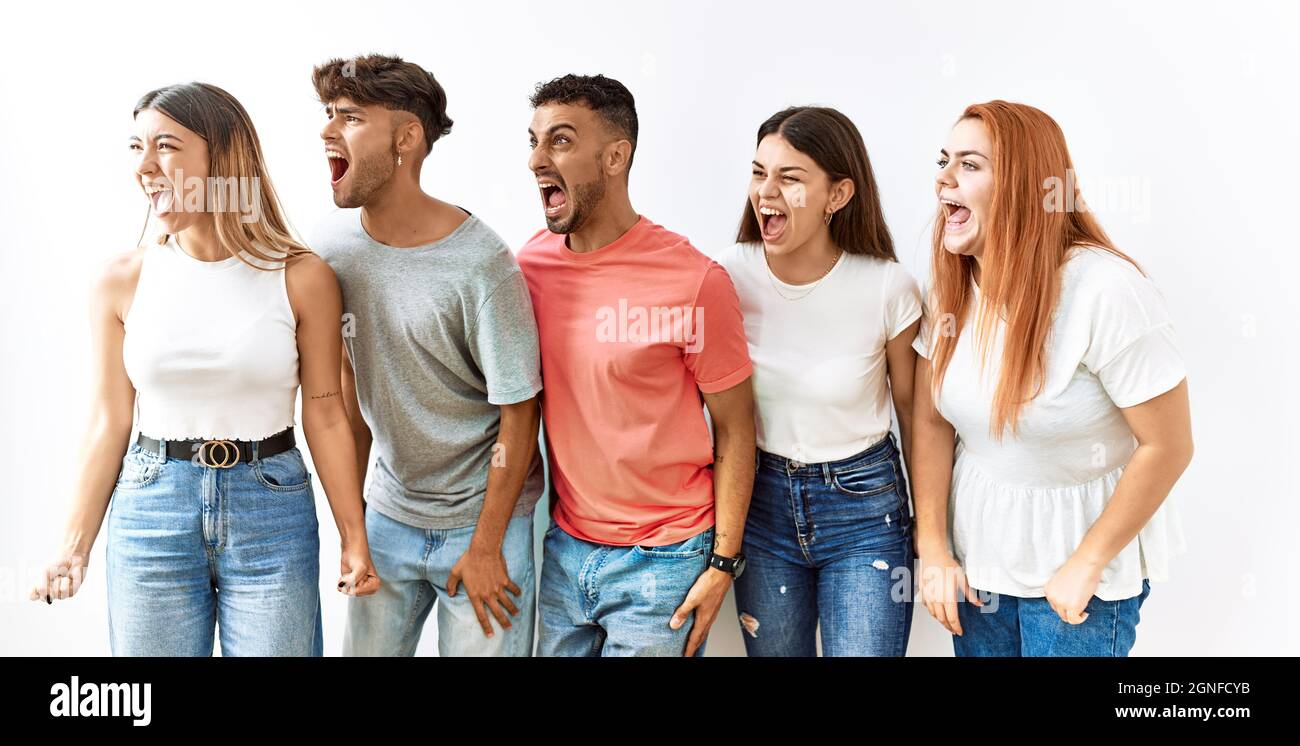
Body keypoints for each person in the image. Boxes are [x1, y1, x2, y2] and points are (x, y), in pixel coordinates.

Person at [31, 82, 379, 656]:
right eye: (136, 147)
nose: (144, 166)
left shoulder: (303, 278)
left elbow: (325, 413)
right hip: (152, 508)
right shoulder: (120, 281)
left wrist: (353, 535)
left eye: (165, 146)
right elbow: (108, 421)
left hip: (272, 508)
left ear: (222, 157)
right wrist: (73, 548)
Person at [911, 100, 1193, 656]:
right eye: (944, 161)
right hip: (979, 570)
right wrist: (935, 548)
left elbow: (1168, 444)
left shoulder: (1105, 290)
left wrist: (1089, 561)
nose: (943, 177)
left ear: (1021, 184)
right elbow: (930, 419)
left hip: (1075, 581)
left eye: (970, 164)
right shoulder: (951, 286)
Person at [310, 55, 544, 657]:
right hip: (389, 515)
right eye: (328, 115)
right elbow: (344, 392)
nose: (327, 130)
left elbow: (520, 412)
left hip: (483, 521)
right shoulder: (330, 253)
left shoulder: (482, 265)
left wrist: (488, 545)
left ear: (406, 138)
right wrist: (353, 530)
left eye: (351, 117)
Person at [517, 74, 755, 657]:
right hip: (564, 550)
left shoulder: (694, 280)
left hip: (666, 557)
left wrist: (723, 562)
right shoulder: (529, 268)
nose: (536, 161)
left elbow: (736, 428)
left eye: (561, 141)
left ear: (616, 156)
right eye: (533, 141)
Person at [719, 106, 920, 656]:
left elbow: (915, 415)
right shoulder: (727, 275)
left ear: (838, 195)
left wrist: (933, 529)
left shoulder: (887, 287)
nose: (766, 192)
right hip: (760, 507)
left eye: (790, 178)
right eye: (759, 172)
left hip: (863, 511)